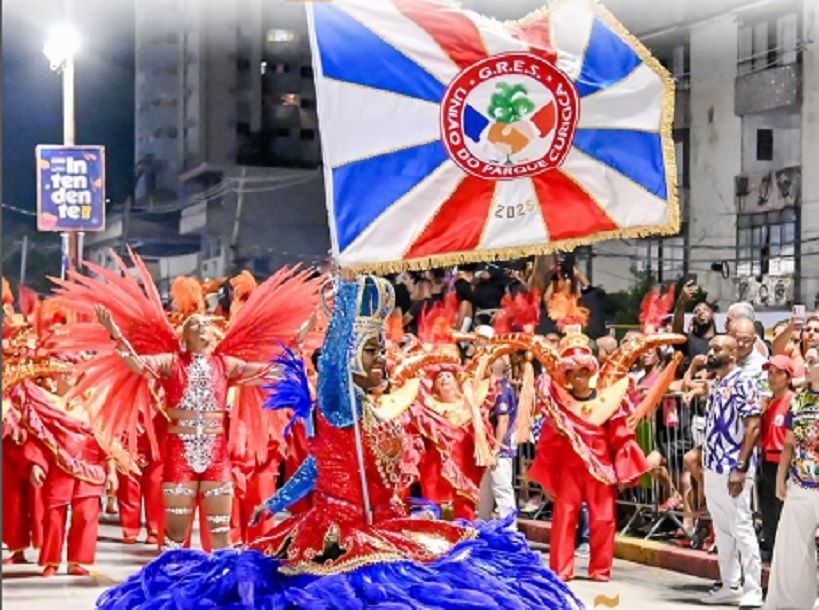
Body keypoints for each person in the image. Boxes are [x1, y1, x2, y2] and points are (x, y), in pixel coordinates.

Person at [96, 276, 583, 609]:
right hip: (339, 537)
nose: (382, 362)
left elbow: (320, 463)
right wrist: (347, 307)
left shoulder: (368, 411)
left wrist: (280, 497)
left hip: (390, 526)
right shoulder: (338, 404)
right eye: (371, 351)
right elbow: (327, 413)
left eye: (382, 351)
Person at [49, 249, 321, 552]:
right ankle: (171, 591)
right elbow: (137, 365)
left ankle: (219, 589)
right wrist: (115, 333)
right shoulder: (171, 362)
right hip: (180, 454)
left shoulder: (226, 364)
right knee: (176, 537)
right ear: (183, 337)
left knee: (220, 535)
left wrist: (300, 338)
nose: (202, 325)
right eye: (195, 324)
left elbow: (272, 370)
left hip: (217, 455)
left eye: (205, 324)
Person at [527, 328, 664, 582]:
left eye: (583, 371)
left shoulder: (607, 403)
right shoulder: (559, 408)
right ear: (567, 375)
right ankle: (561, 570)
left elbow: (620, 437)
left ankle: (600, 570)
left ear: (590, 372)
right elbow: (548, 444)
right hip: (569, 471)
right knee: (564, 517)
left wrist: (623, 470)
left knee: (603, 519)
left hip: (601, 470)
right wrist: (547, 479)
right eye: (573, 372)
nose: (579, 377)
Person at [699, 335, 763, 608]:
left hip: (732, 466)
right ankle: (730, 583)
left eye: (717, 349)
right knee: (723, 529)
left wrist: (740, 466)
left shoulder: (744, 381)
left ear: (733, 353)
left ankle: (753, 588)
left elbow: (753, 425)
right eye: (710, 347)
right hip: (713, 465)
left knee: (741, 527)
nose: (710, 352)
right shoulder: (718, 382)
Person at [765, 346, 819, 610]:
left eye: (812, 361)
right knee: (793, 549)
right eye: (806, 361)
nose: (806, 366)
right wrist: (780, 479)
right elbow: (788, 444)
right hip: (801, 483)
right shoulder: (798, 401)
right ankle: (792, 604)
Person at [757, 355, 795, 563]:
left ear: (787, 377)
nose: (771, 378)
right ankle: (774, 557)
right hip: (767, 463)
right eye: (769, 373)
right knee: (769, 513)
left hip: (784, 463)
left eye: (776, 373)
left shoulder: (792, 402)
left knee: (782, 514)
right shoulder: (770, 404)